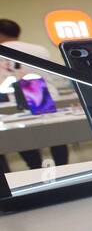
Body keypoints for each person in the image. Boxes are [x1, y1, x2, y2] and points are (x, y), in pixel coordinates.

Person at [0, 19, 69, 173]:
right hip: (41, 92)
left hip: (13, 97)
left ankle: (36, 169)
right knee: (56, 136)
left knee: (21, 137)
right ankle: (63, 168)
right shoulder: (39, 49)